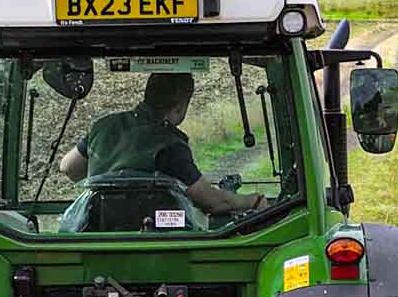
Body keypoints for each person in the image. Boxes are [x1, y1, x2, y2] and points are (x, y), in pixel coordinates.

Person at [57, 70, 264, 217]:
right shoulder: (170, 144)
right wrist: (251, 201)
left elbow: (69, 167)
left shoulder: (104, 126)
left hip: (100, 234)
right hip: (157, 239)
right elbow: (213, 202)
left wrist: (110, 182)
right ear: (179, 107)